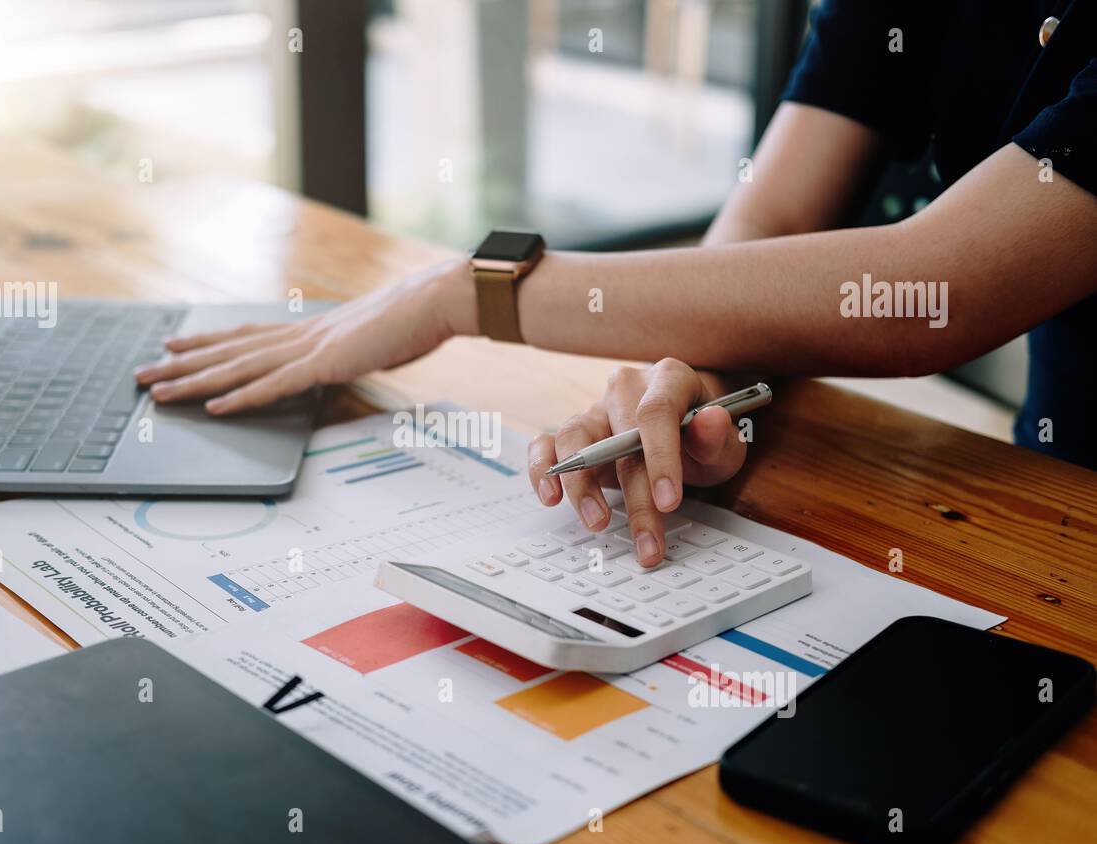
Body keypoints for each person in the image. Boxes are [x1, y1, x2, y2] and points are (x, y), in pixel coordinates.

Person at [135, 0, 1097, 570]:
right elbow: (765, 223)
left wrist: (469, 292)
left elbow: (931, 289)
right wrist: (684, 377)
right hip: (1059, 504)